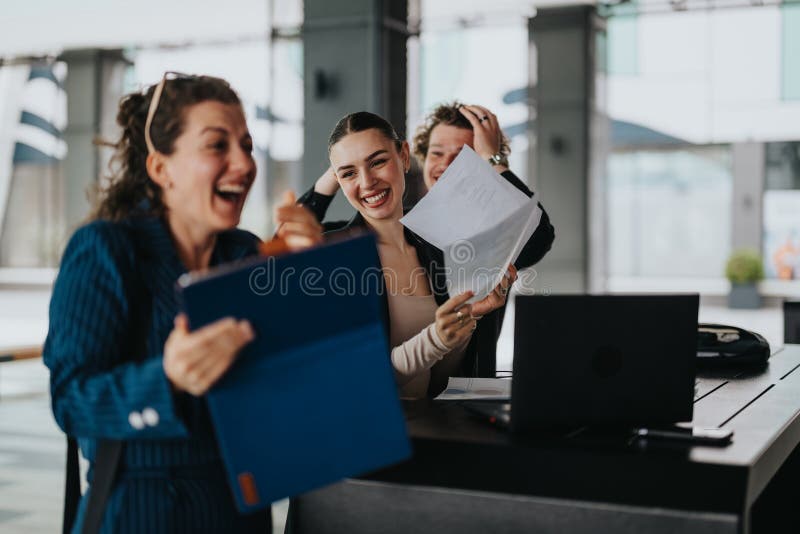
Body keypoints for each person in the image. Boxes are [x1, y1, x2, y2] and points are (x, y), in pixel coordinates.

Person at [43, 73, 322, 534]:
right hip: (141, 511)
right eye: (218, 145)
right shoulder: (107, 251)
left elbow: (299, 388)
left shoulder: (248, 255)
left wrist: (310, 282)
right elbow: (71, 401)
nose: (245, 163)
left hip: (239, 513)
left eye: (247, 145)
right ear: (160, 169)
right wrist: (164, 380)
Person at [324, 111, 519, 398]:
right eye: (349, 173)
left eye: (377, 162)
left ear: (404, 156)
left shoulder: (437, 245)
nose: (367, 182)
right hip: (376, 436)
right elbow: (355, 379)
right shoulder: (332, 256)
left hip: (436, 433)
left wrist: (467, 319)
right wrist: (437, 339)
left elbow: (438, 382)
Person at [299, 101, 554, 270]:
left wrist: (493, 159)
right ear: (414, 157)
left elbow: (538, 236)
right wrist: (342, 168)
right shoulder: (394, 229)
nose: (447, 166)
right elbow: (291, 244)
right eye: (436, 153)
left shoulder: (488, 236)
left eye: (464, 156)